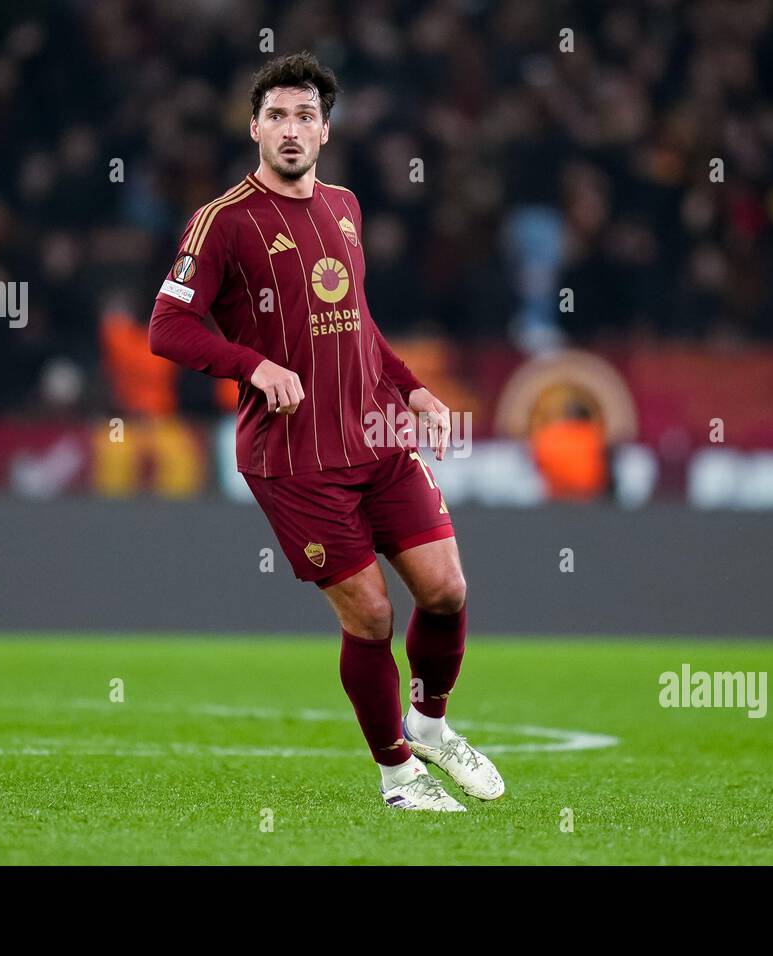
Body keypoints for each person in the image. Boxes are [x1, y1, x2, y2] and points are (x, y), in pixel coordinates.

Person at [148, 52, 503, 811]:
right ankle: (398, 773)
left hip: (375, 434)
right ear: (253, 127)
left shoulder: (345, 206)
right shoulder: (221, 223)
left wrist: (414, 391)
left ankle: (432, 725)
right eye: (276, 114)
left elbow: (360, 325)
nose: (290, 128)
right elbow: (166, 327)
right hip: (295, 458)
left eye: (305, 115)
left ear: (326, 130)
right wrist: (251, 366)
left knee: (445, 589)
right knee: (371, 614)